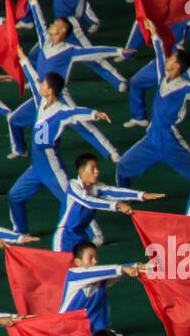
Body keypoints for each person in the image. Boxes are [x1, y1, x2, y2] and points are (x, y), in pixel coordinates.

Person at [116, 22, 190, 186]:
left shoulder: (185, 88)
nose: (167, 59)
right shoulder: (162, 77)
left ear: (178, 66)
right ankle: (125, 199)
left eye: (171, 58)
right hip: (151, 138)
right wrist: (154, 33)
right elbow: (159, 54)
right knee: (122, 167)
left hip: (170, 141)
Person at [8, 63, 113, 236]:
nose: (40, 85)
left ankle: (96, 234)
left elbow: (76, 112)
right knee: (14, 195)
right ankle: (21, 231)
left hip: (51, 167)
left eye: (44, 84)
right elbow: (33, 79)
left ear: (50, 91)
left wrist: (94, 113)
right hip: (36, 167)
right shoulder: (41, 102)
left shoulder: (61, 112)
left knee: (73, 198)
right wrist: (22, 58)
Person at [59, 242, 148, 334]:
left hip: (84, 329)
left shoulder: (99, 280)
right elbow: (100, 272)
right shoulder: (74, 275)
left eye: (96, 257)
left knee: (100, 295)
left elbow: (115, 275)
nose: (95, 261)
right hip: (65, 328)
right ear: (78, 262)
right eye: (90, 258)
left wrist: (137, 266)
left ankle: (100, 332)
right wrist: (122, 268)